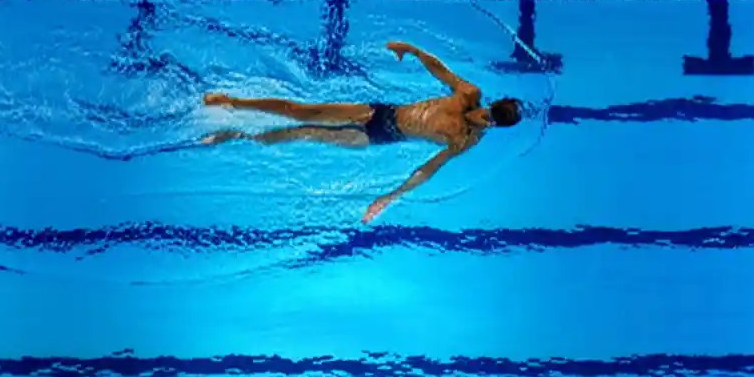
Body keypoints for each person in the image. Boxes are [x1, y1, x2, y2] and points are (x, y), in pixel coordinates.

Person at [201, 41, 522, 223]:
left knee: (305, 132)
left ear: (494, 126)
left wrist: (389, 197)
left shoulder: (463, 139)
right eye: (488, 111)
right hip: (380, 112)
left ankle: (237, 136)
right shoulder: (469, 94)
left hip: (382, 137)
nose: (483, 117)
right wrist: (412, 50)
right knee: (301, 110)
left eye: (489, 120)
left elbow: (428, 170)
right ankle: (235, 102)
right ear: (490, 104)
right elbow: (442, 71)